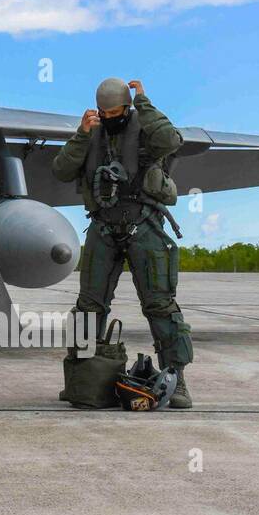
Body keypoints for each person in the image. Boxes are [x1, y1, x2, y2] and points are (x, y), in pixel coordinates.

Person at [52, 78, 193, 408]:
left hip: (143, 225)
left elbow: (171, 140)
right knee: (89, 307)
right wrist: (81, 134)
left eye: (116, 111)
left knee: (159, 304)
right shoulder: (91, 132)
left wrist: (145, 103)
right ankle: (80, 379)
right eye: (104, 111)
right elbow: (61, 170)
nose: (109, 116)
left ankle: (177, 378)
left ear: (127, 107)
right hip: (103, 226)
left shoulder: (144, 127)